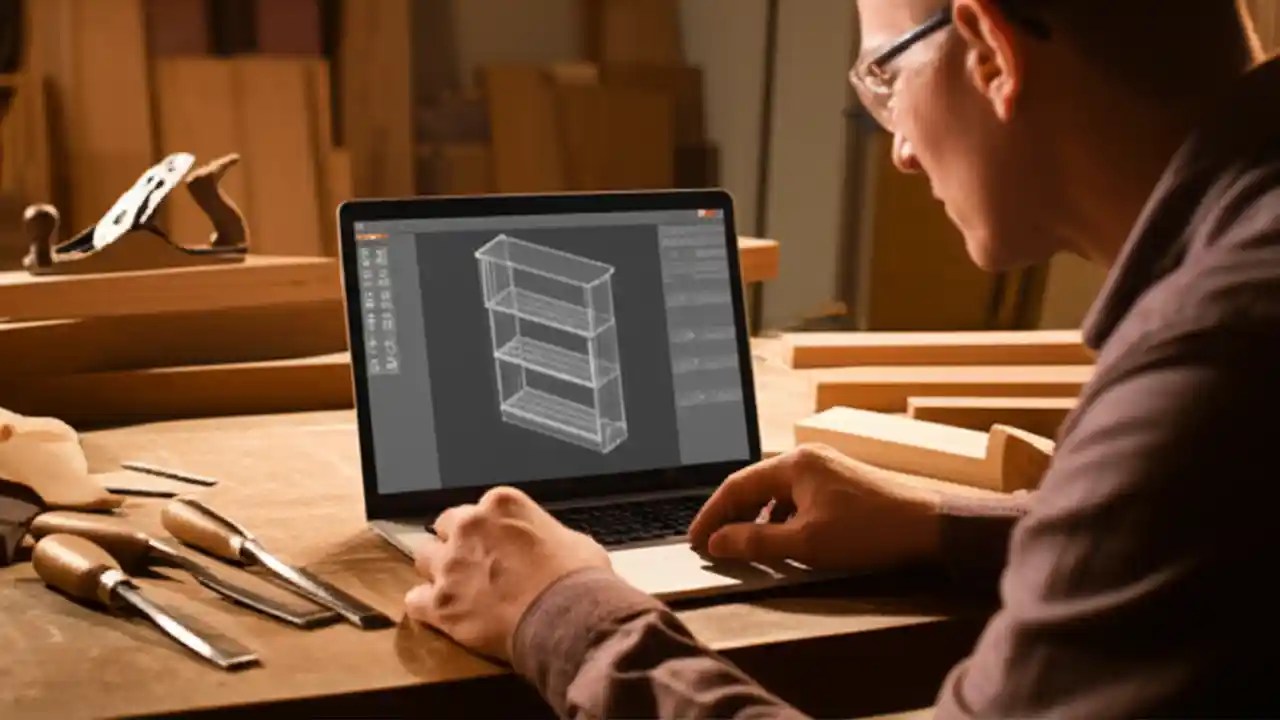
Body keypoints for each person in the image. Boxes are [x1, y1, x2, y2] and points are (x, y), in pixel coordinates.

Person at [404, 0, 1280, 716]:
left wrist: (565, 615)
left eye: (883, 77)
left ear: (989, 53)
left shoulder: (1205, 369)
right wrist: (948, 526)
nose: (898, 148)